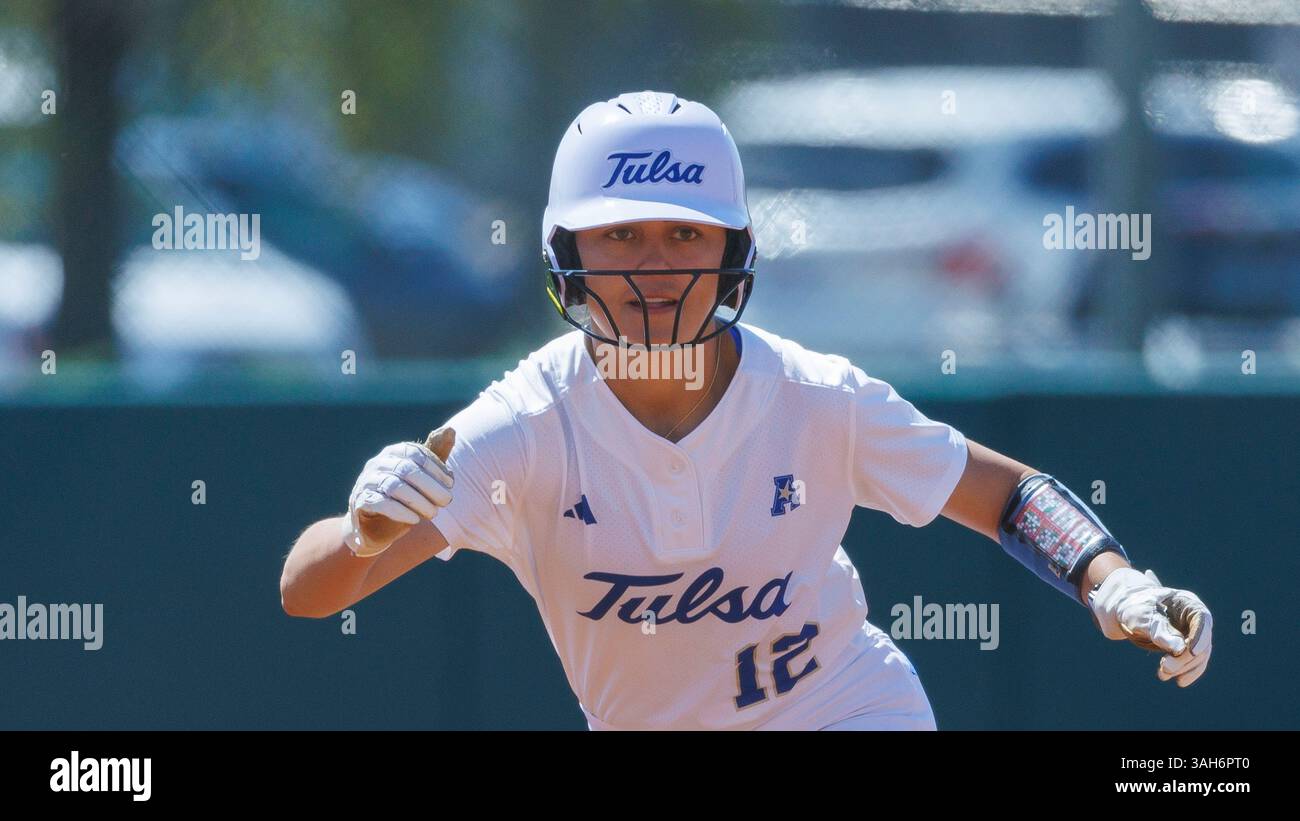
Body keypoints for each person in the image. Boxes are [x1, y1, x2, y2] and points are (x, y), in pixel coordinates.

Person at [280, 91, 1213, 730]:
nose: (654, 264)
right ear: (566, 251)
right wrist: (361, 533)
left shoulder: (815, 396)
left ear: (732, 251)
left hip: (846, 708)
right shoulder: (522, 426)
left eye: (685, 232)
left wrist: (1113, 582)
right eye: (622, 235)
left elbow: (1004, 497)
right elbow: (308, 591)